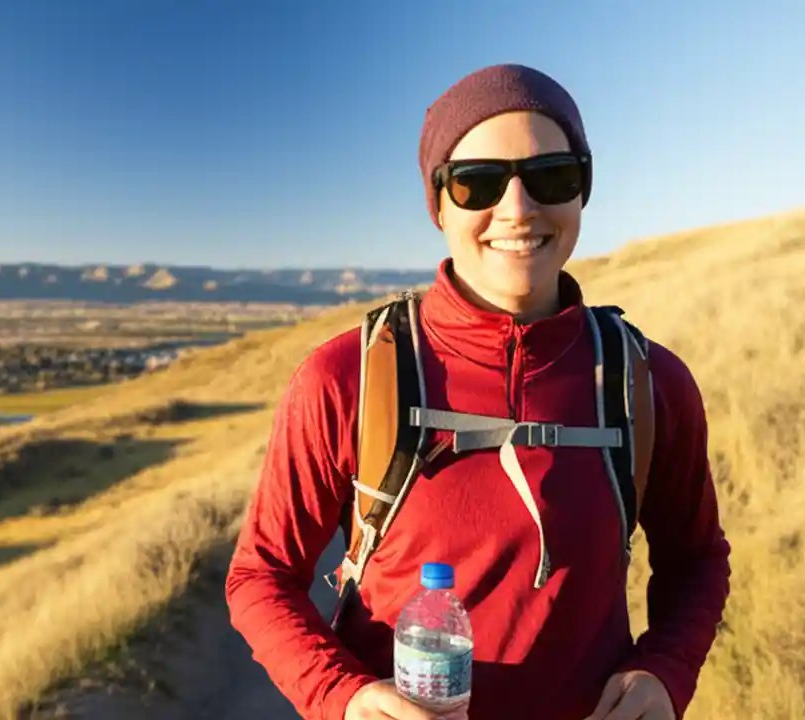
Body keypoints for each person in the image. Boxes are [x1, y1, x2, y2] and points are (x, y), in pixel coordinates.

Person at [225, 63, 731, 720]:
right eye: (477, 184)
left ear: (583, 190)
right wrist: (341, 697)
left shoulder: (648, 382)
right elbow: (260, 575)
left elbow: (696, 559)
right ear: (437, 204)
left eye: (552, 177)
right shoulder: (348, 377)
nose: (517, 210)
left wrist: (665, 670)